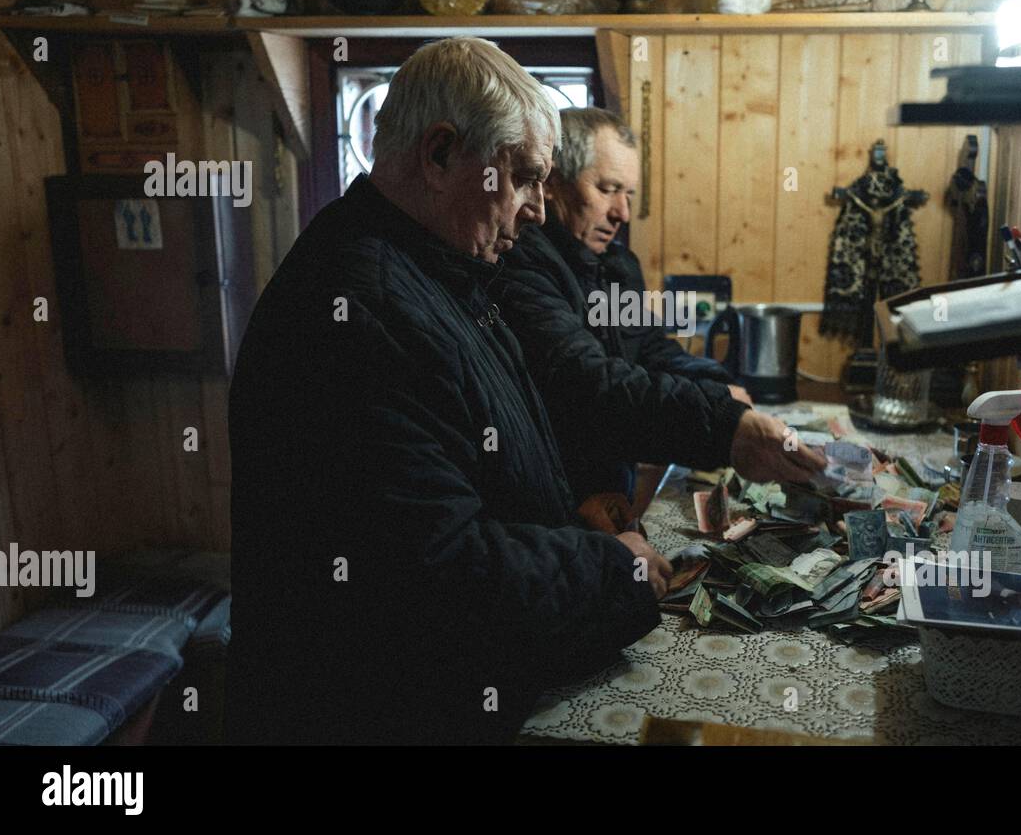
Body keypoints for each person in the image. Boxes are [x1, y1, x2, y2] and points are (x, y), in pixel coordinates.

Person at [227, 38, 670, 745]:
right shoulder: (359, 309)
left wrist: (575, 515)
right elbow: (439, 577)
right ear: (439, 155)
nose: (535, 210)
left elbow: (492, 455)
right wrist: (611, 570)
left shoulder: (439, 266)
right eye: (524, 178)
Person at [493, 107, 824, 505]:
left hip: (614, 481)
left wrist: (717, 386)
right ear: (552, 182)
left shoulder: (615, 264)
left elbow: (649, 347)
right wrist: (720, 423)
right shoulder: (520, 263)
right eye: (607, 189)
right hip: (560, 500)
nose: (623, 213)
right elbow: (586, 385)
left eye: (628, 194)